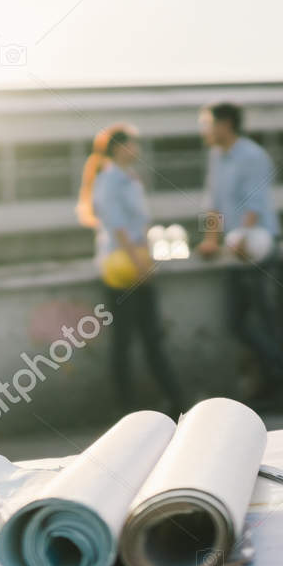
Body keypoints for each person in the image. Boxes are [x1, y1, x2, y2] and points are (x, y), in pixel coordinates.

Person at [196, 102, 283, 410]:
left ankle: (279, 389)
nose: (204, 129)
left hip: (256, 245)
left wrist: (241, 236)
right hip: (235, 249)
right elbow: (213, 204)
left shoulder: (252, 155)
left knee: (265, 317)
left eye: (207, 123)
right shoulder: (216, 157)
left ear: (226, 124)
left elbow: (255, 204)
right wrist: (210, 240)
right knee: (235, 320)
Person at [77, 123, 186, 413]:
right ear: (118, 149)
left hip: (135, 263)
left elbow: (138, 224)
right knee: (126, 340)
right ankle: (127, 408)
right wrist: (141, 263)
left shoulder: (128, 178)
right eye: (132, 144)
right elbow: (118, 226)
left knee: (148, 337)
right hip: (124, 267)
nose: (137, 149)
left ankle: (174, 402)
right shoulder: (110, 180)